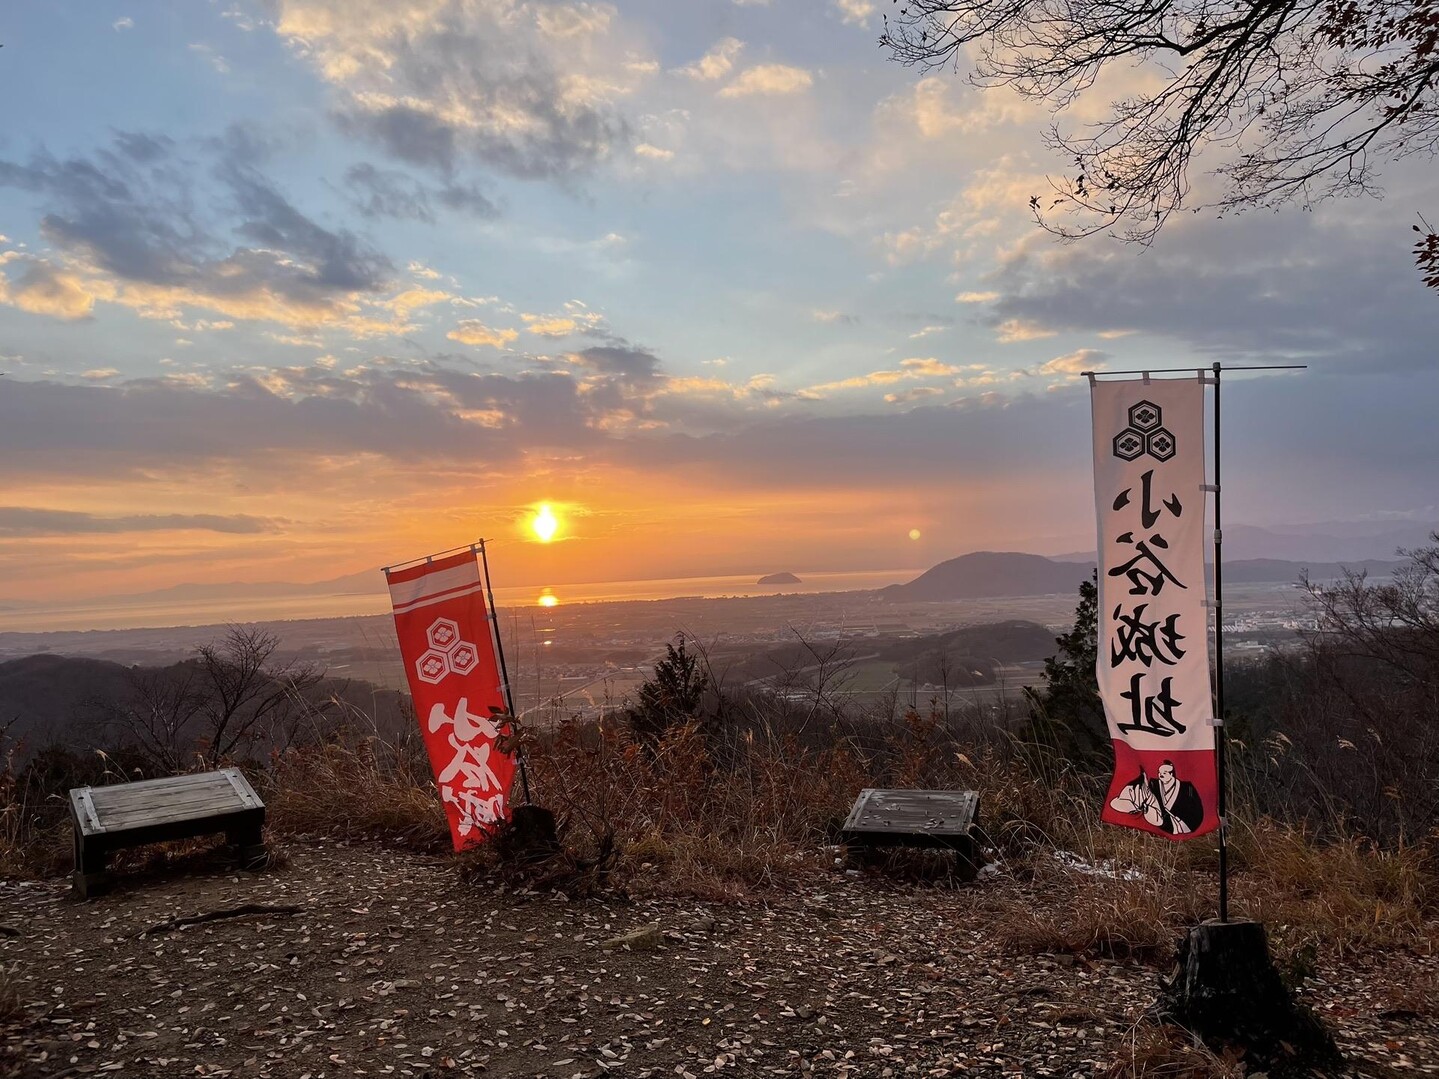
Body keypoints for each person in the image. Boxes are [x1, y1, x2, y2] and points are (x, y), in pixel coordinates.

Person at [1109, 760, 1204, 834]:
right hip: (1162, 825)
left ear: (1171, 774)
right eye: (1159, 772)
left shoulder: (1187, 787)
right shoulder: (1154, 784)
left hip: (1185, 824)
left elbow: (1196, 808)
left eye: (1164, 773)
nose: (1161, 775)